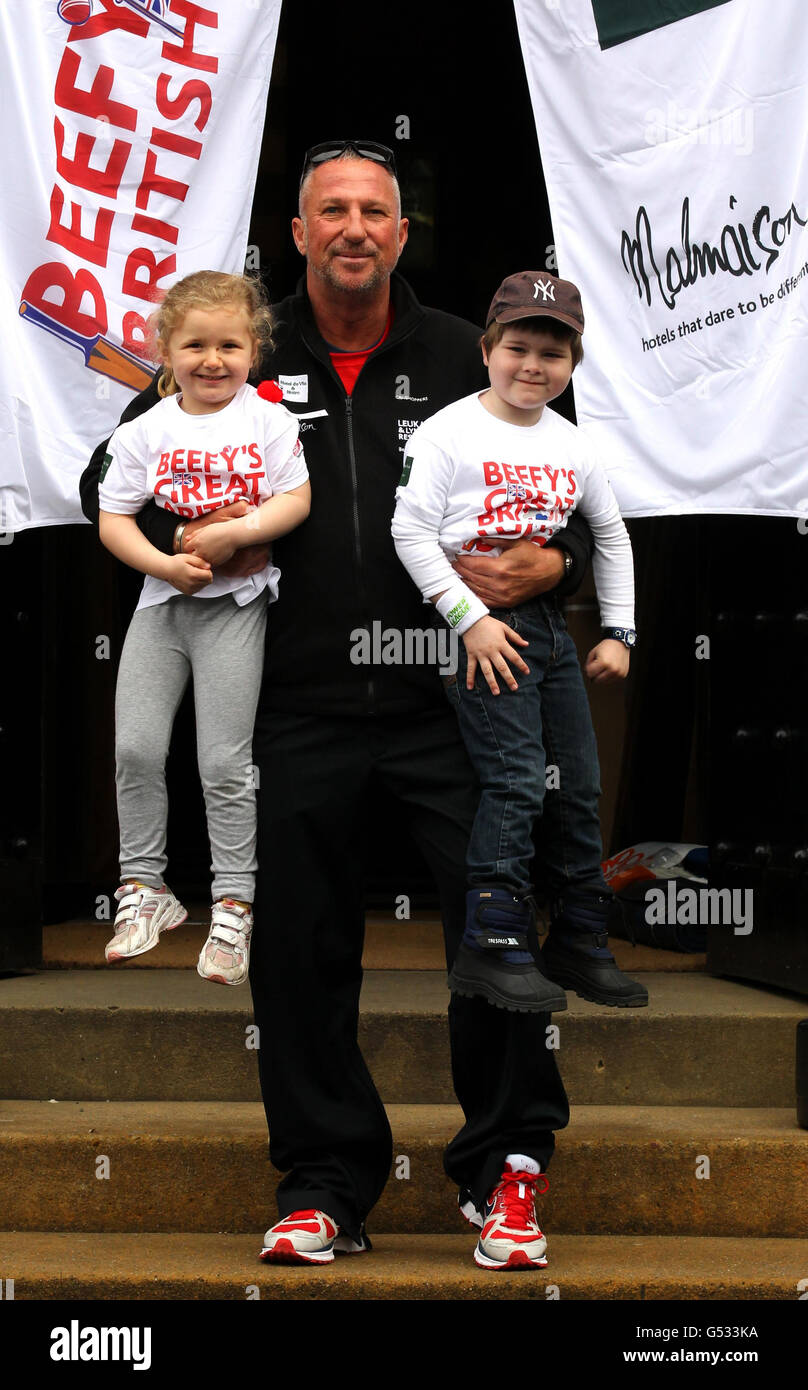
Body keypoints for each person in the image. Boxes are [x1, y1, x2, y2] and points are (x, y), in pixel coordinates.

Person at [82, 141, 602, 1273]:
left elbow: (570, 491)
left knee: (497, 933)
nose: (356, 227)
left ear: (400, 234)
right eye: (334, 212)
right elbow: (108, 480)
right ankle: (323, 1184)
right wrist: (189, 539)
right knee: (301, 953)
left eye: (376, 210)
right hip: (296, 703)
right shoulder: (236, 353)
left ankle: (506, 1171)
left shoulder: (470, 348)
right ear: (300, 233)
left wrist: (554, 567)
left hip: (460, 698)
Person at [393, 269, 648, 1022]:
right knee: (513, 778)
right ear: (486, 349)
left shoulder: (574, 444)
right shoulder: (448, 431)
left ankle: (578, 936)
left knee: (577, 786)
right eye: (519, 347)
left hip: (549, 630)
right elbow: (408, 531)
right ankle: (493, 945)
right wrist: (467, 618)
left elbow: (610, 533)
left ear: (573, 366)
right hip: (478, 630)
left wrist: (619, 632)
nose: (533, 365)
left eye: (553, 354)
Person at [96, 271, 310, 987]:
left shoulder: (267, 421)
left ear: (255, 348)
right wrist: (165, 561)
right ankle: (145, 889)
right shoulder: (145, 429)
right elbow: (113, 517)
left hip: (235, 610)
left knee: (223, 763)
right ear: (165, 348)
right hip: (162, 609)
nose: (212, 361)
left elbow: (296, 499)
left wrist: (237, 535)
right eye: (195, 345)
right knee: (134, 747)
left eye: (229, 345)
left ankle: (233, 906)